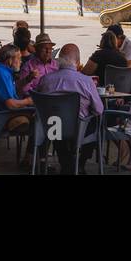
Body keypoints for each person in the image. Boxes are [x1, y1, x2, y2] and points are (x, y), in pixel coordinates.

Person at [34, 43, 104, 173]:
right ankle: (80, 163)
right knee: (96, 120)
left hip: (53, 130)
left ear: (59, 61)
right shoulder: (87, 81)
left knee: (55, 121)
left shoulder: (45, 80)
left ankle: (66, 162)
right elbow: (99, 110)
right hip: (79, 130)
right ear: (77, 62)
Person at [16, 32, 57, 96]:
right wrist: (29, 79)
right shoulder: (29, 66)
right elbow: (22, 91)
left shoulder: (56, 65)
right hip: (35, 100)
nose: (48, 51)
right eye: (44, 48)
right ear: (37, 49)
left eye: (50, 49)